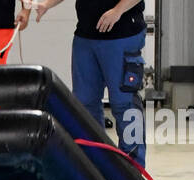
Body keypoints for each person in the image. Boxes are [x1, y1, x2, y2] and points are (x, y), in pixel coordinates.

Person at [36, 0, 147, 166]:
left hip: (122, 35)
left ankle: (133, 171)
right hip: (86, 36)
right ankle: (95, 166)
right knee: (84, 105)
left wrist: (117, 11)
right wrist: (47, 4)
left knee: (125, 105)